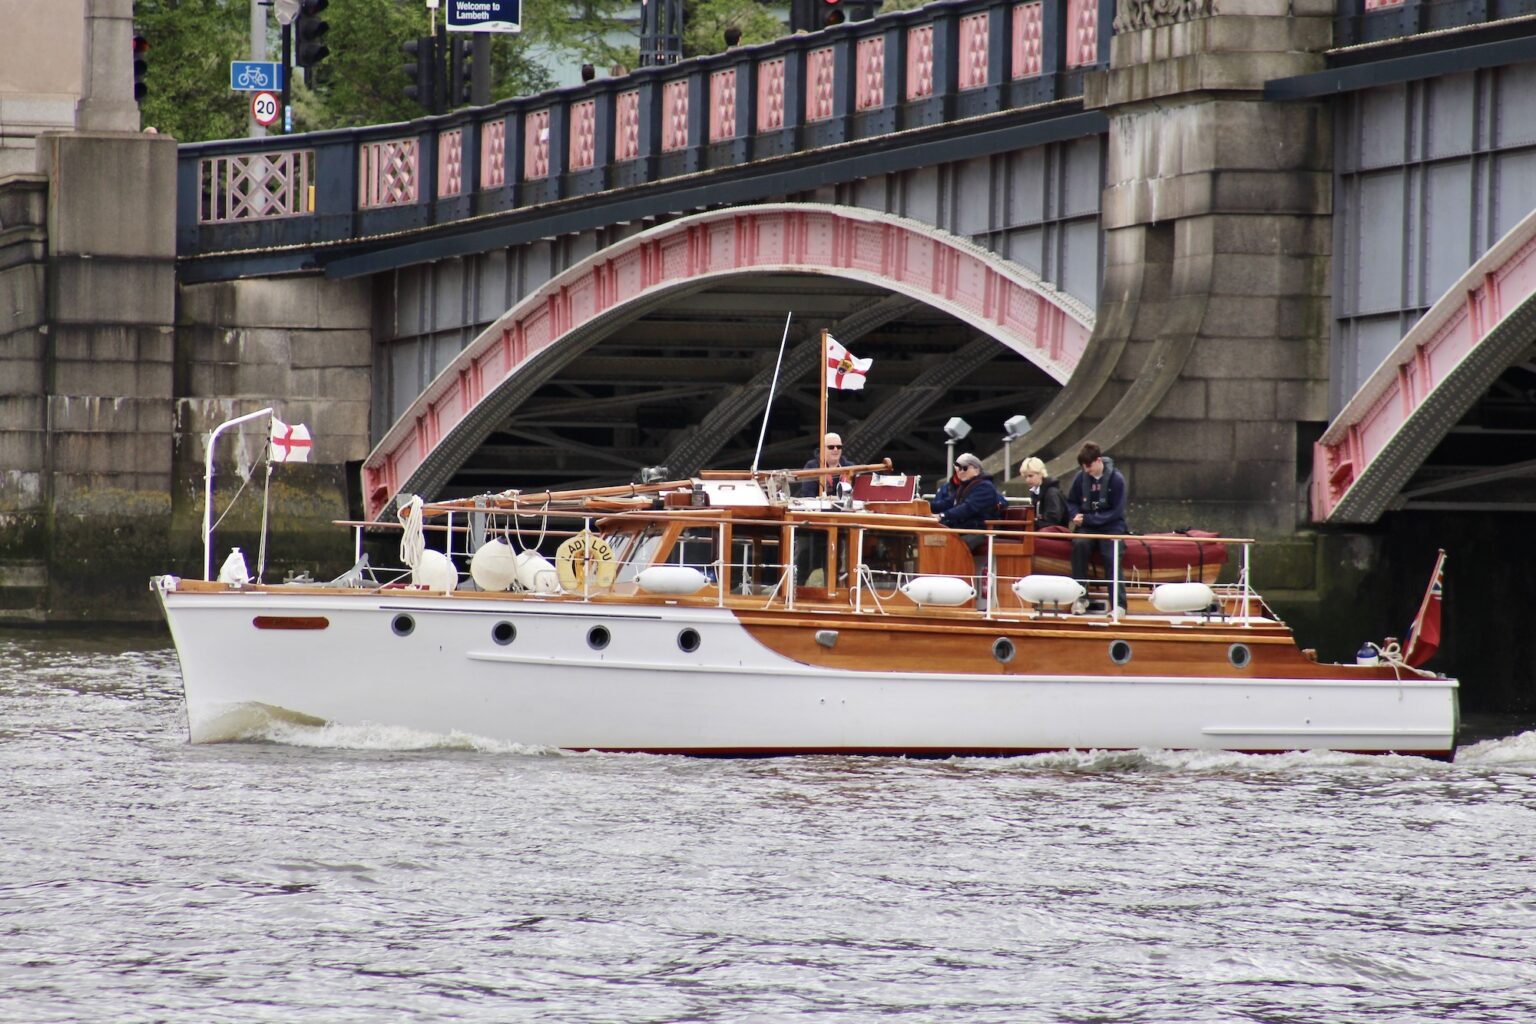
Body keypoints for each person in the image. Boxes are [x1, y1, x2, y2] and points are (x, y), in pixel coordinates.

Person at [1066, 441, 1129, 613]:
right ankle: (1080, 597)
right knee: (1079, 545)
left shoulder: (1116, 479)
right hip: (1087, 526)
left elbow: (1117, 511)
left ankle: (1119, 604)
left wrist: (1088, 519)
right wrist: (1075, 515)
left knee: (1112, 554)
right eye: (1084, 467)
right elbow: (1071, 502)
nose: (1087, 470)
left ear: (1098, 460)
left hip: (1111, 526)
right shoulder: (1080, 478)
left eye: (1089, 466)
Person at [930, 453, 1006, 552]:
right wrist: (925, 505)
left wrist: (942, 515)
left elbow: (968, 507)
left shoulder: (985, 487)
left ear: (976, 469)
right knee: (931, 538)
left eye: (964, 468)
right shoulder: (965, 487)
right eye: (958, 469)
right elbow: (947, 503)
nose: (960, 472)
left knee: (951, 545)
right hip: (965, 528)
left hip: (980, 530)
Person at [1019, 456, 1068, 529]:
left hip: (1056, 532)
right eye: (1025, 477)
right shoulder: (1036, 493)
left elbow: (1052, 521)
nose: (1027, 480)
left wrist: (1034, 523)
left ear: (1040, 474)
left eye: (1030, 476)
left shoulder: (1052, 493)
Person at [800, 432, 851, 498]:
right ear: (823, 448)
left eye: (839, 447)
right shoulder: (811, 466)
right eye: (831, 447)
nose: (836, 449)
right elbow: (808, 495)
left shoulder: (850, 467)